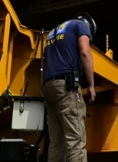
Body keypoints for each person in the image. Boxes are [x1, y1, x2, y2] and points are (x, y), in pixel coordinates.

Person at [41, 12, 97, 162]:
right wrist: (91, 85)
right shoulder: (82, 26)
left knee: (56, 144)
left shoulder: (54, 31)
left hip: (48, 86)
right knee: (76, 141)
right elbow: (85, 52)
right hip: (66, 86)